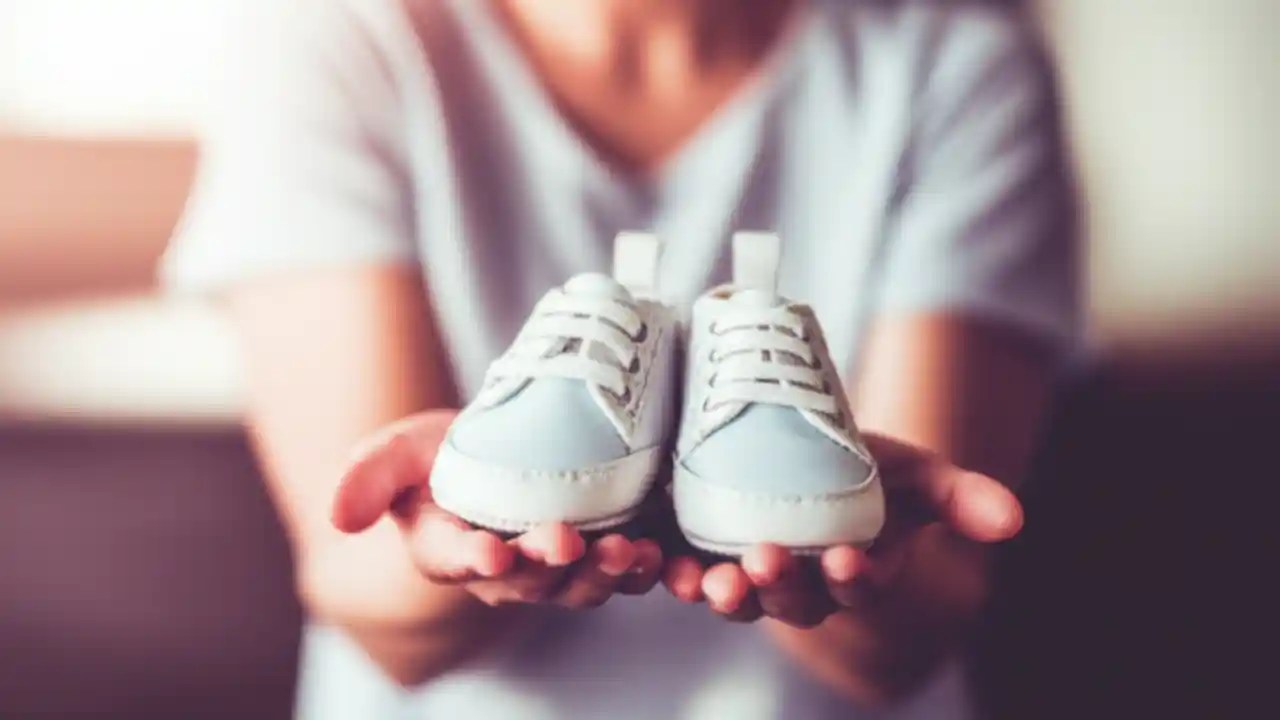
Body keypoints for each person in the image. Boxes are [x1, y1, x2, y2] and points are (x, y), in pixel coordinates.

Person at [164, 0, 1078, 717]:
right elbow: (369, 603)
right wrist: (464, 541)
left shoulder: (961, 68)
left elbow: (909, 640)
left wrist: (862, 573)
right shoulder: (330, 43)